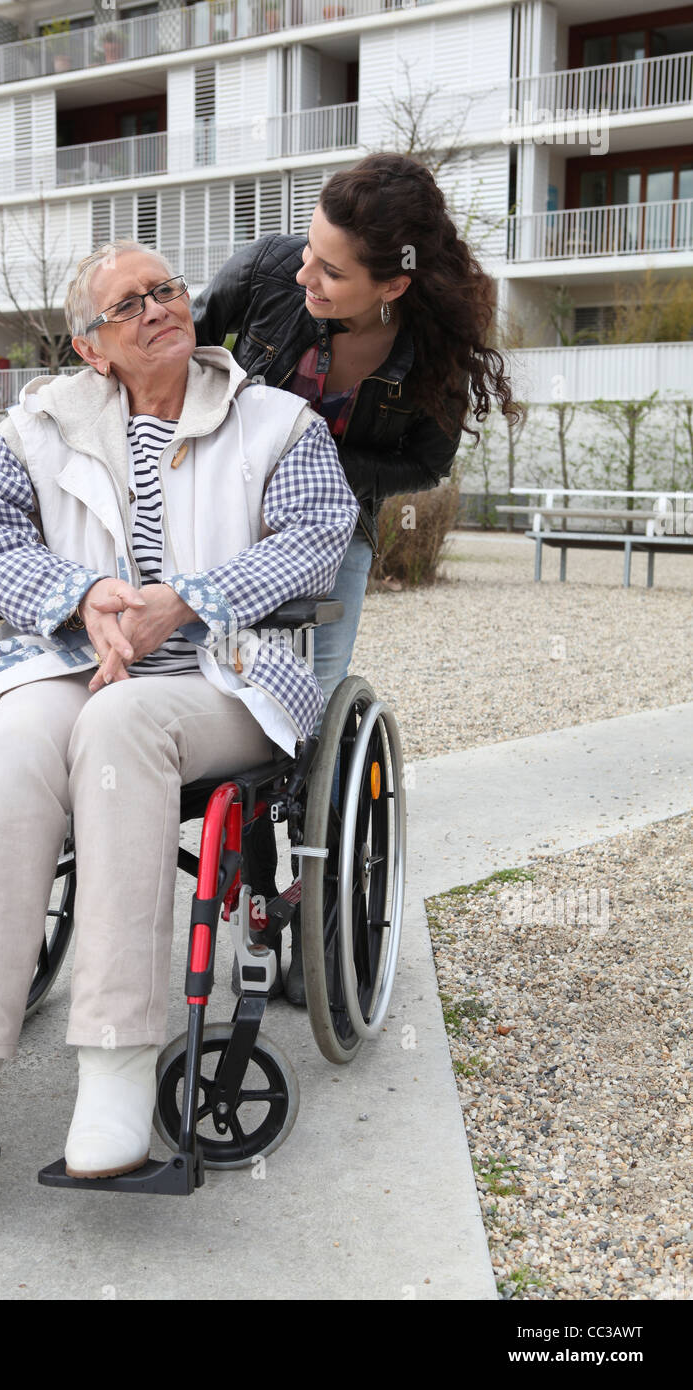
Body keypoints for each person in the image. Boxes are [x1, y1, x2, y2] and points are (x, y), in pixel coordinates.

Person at [0, 241, 359, 1178]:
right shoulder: (42, 423)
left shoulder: (274, 420)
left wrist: (193, 599)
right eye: (128, 304)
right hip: (73, 661)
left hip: (225, 672)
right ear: (91, 349)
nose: (158, 308)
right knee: (12, 736)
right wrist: (80, 594)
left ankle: (118, 1067)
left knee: (118, 727)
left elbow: (316, 541)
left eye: (166, 289)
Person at [191, 152, 519, 1001]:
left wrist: (320, 468)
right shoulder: (267, 274)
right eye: (309, 249)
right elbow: (170, 353)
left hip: (333, 534)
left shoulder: (431, 351)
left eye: (331, 270)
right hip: (218, 519)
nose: (304, 271)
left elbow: (424, 462)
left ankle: (291, 901)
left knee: (306, 723)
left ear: (393, 286)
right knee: (201, 685)